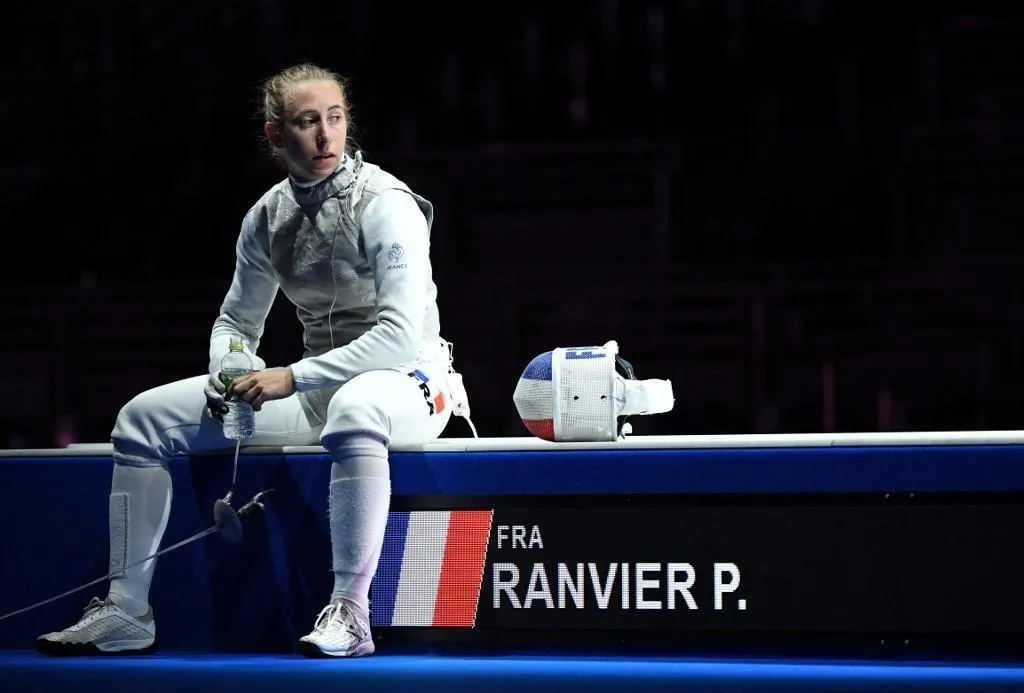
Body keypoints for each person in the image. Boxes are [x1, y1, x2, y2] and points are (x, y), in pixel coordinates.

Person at [36, 62, 471, 658]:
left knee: (355, 405)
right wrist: (231, 368)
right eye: (306, 122)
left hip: (412, 382)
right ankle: (127, 610)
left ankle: (352, 611)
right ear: (276, 135)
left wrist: (290, 376)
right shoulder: (267, 217)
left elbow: (398, 336)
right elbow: (236, 323)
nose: (324, 136)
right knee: (141, 420)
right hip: (323, 383)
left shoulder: (386, 204)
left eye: (335, 119)